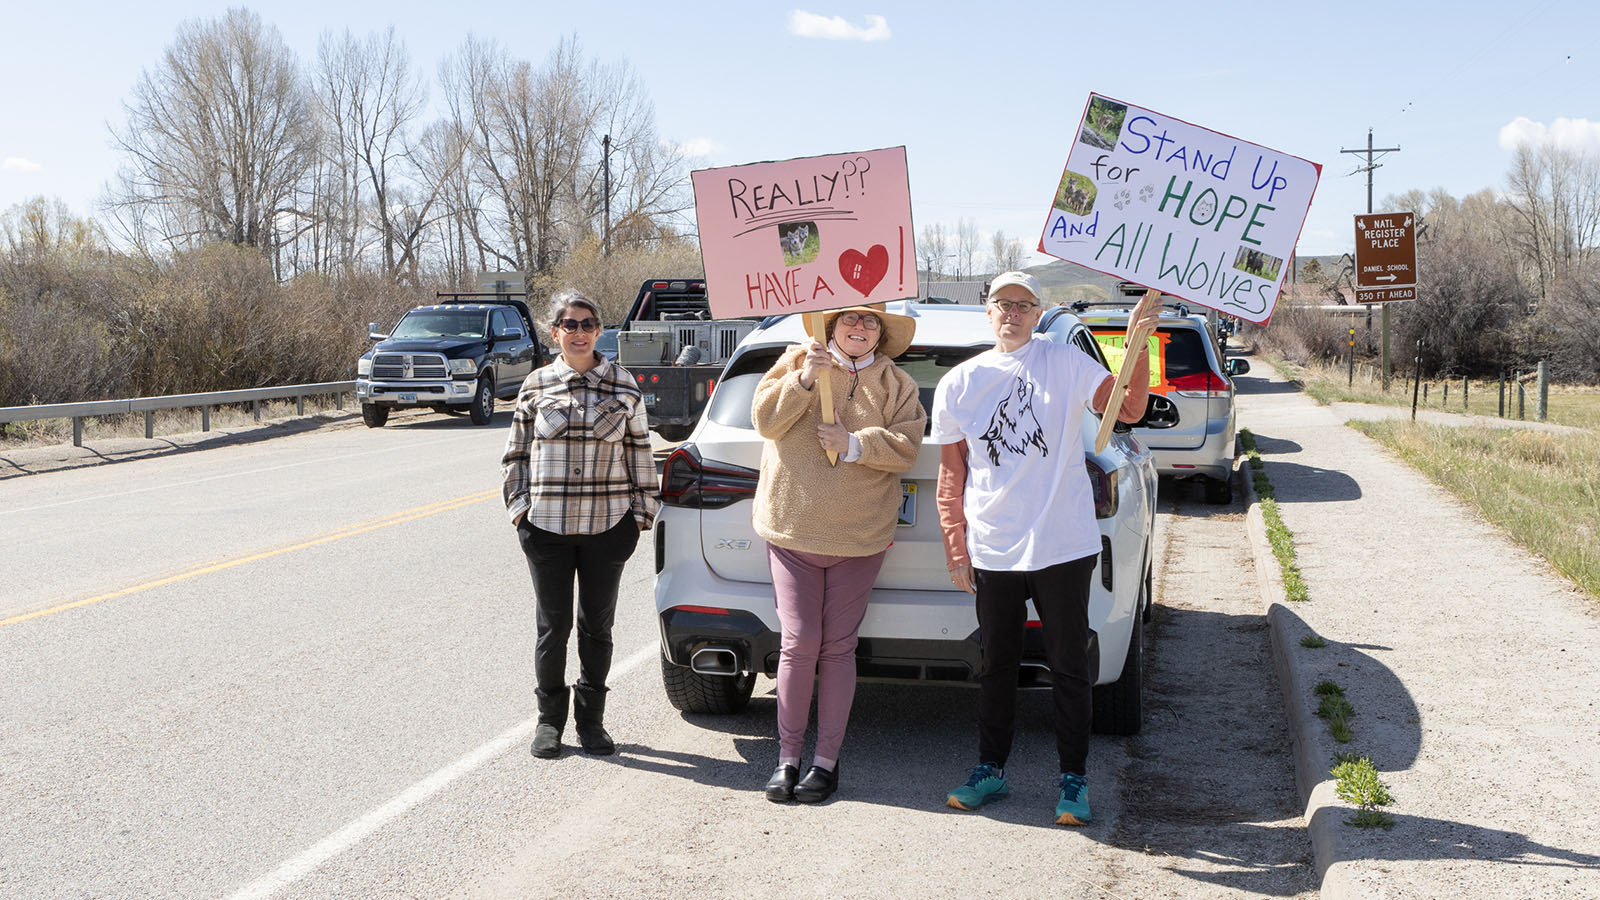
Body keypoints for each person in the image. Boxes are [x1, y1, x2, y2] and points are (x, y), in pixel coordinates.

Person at [931, 271, 1156, 825]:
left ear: (1037, 313)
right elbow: (950, 476)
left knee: (1069, 665)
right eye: (1002, 304)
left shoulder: (1065, 362)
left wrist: (1138, 343)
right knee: (997, 665)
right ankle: (991, 770)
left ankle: (1074, 779)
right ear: (987, 312)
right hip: (994, 547)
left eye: (1023, 305)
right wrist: (956, 547)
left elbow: (1127, 409)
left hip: (1062, 544)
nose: (1011, 312)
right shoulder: (960, 382)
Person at [751, 302, 925, 803]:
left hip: (860, 538)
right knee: (799, 643)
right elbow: (765, 422)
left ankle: (825, 761)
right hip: (793, 532)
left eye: (870, 321)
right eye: (849, 318)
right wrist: (804, 381)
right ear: (830, 326)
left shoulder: (896, 383)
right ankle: (787, 758)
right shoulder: (795, 360)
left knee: (838, 648)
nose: (859, 327)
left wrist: (854, 443)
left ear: (880, 333)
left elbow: (908, 446)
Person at [502, 290, 660, 759]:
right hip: (546, 527)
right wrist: (520, 512)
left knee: (596, 627)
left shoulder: (624, 386)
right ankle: (549, 722)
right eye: (569, 324)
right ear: (555, 332)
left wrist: (639, 517)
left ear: (599, 330)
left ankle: (591, 722)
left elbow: (640, 455)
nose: (579, 332)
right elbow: (515, 454)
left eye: (588, 323)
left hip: (607, 526)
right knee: (553, 627)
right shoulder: (535, 385)